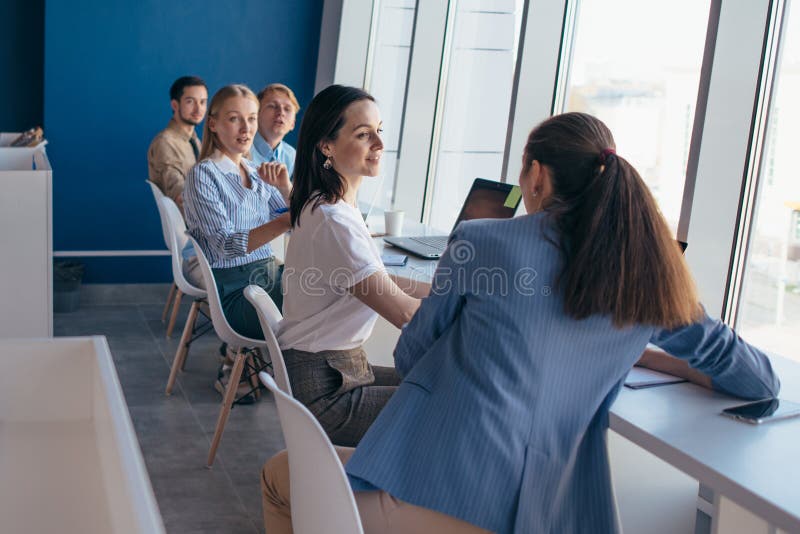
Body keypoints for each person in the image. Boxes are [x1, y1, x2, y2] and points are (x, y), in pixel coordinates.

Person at [262, 112, 780, 533]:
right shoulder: (645, 273)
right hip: (556, 510)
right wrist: (670, 363)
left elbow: (411, 355)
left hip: (456, 492)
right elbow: (757, 377)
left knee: (279, 476)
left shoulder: (484, 241)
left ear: (536, 175)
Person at [277, 85, 429, 447]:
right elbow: (405, 315)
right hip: (328, 395)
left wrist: (453, 290)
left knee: (436, 380)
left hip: (337, 372)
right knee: (453, 400)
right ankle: (398, 501)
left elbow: (379, 282)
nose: (378, 143)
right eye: (363, 134)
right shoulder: (334, 221)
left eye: (379, 131)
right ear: (326, 145)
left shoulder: (327, 206)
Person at [183, 84, 292, 397]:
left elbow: (299, 219)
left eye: (252, 118)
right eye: (235, 119)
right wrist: (283, 220)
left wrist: (286, 189)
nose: (246, 128)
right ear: (214, 124)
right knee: (324, 298)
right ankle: (307, 391)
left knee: (332, 286)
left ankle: (303, 385)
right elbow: (225, 246)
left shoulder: (256, 171)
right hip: (238, 294)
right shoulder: (203, 175)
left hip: (266, 278)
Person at [147, 75, 208, 288]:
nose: (198, 108)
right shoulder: (166, 142)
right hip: (193, 235)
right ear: (175, 105)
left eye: (203, 101)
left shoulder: (194, 141)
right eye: (191, 101)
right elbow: (180, 194)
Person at [251, 83, 299, 181]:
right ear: (257, 114)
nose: (281, 112)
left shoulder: (293, 156)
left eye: (287, 109)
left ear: (293, 124)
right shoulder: (241, 149)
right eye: (272, 106)